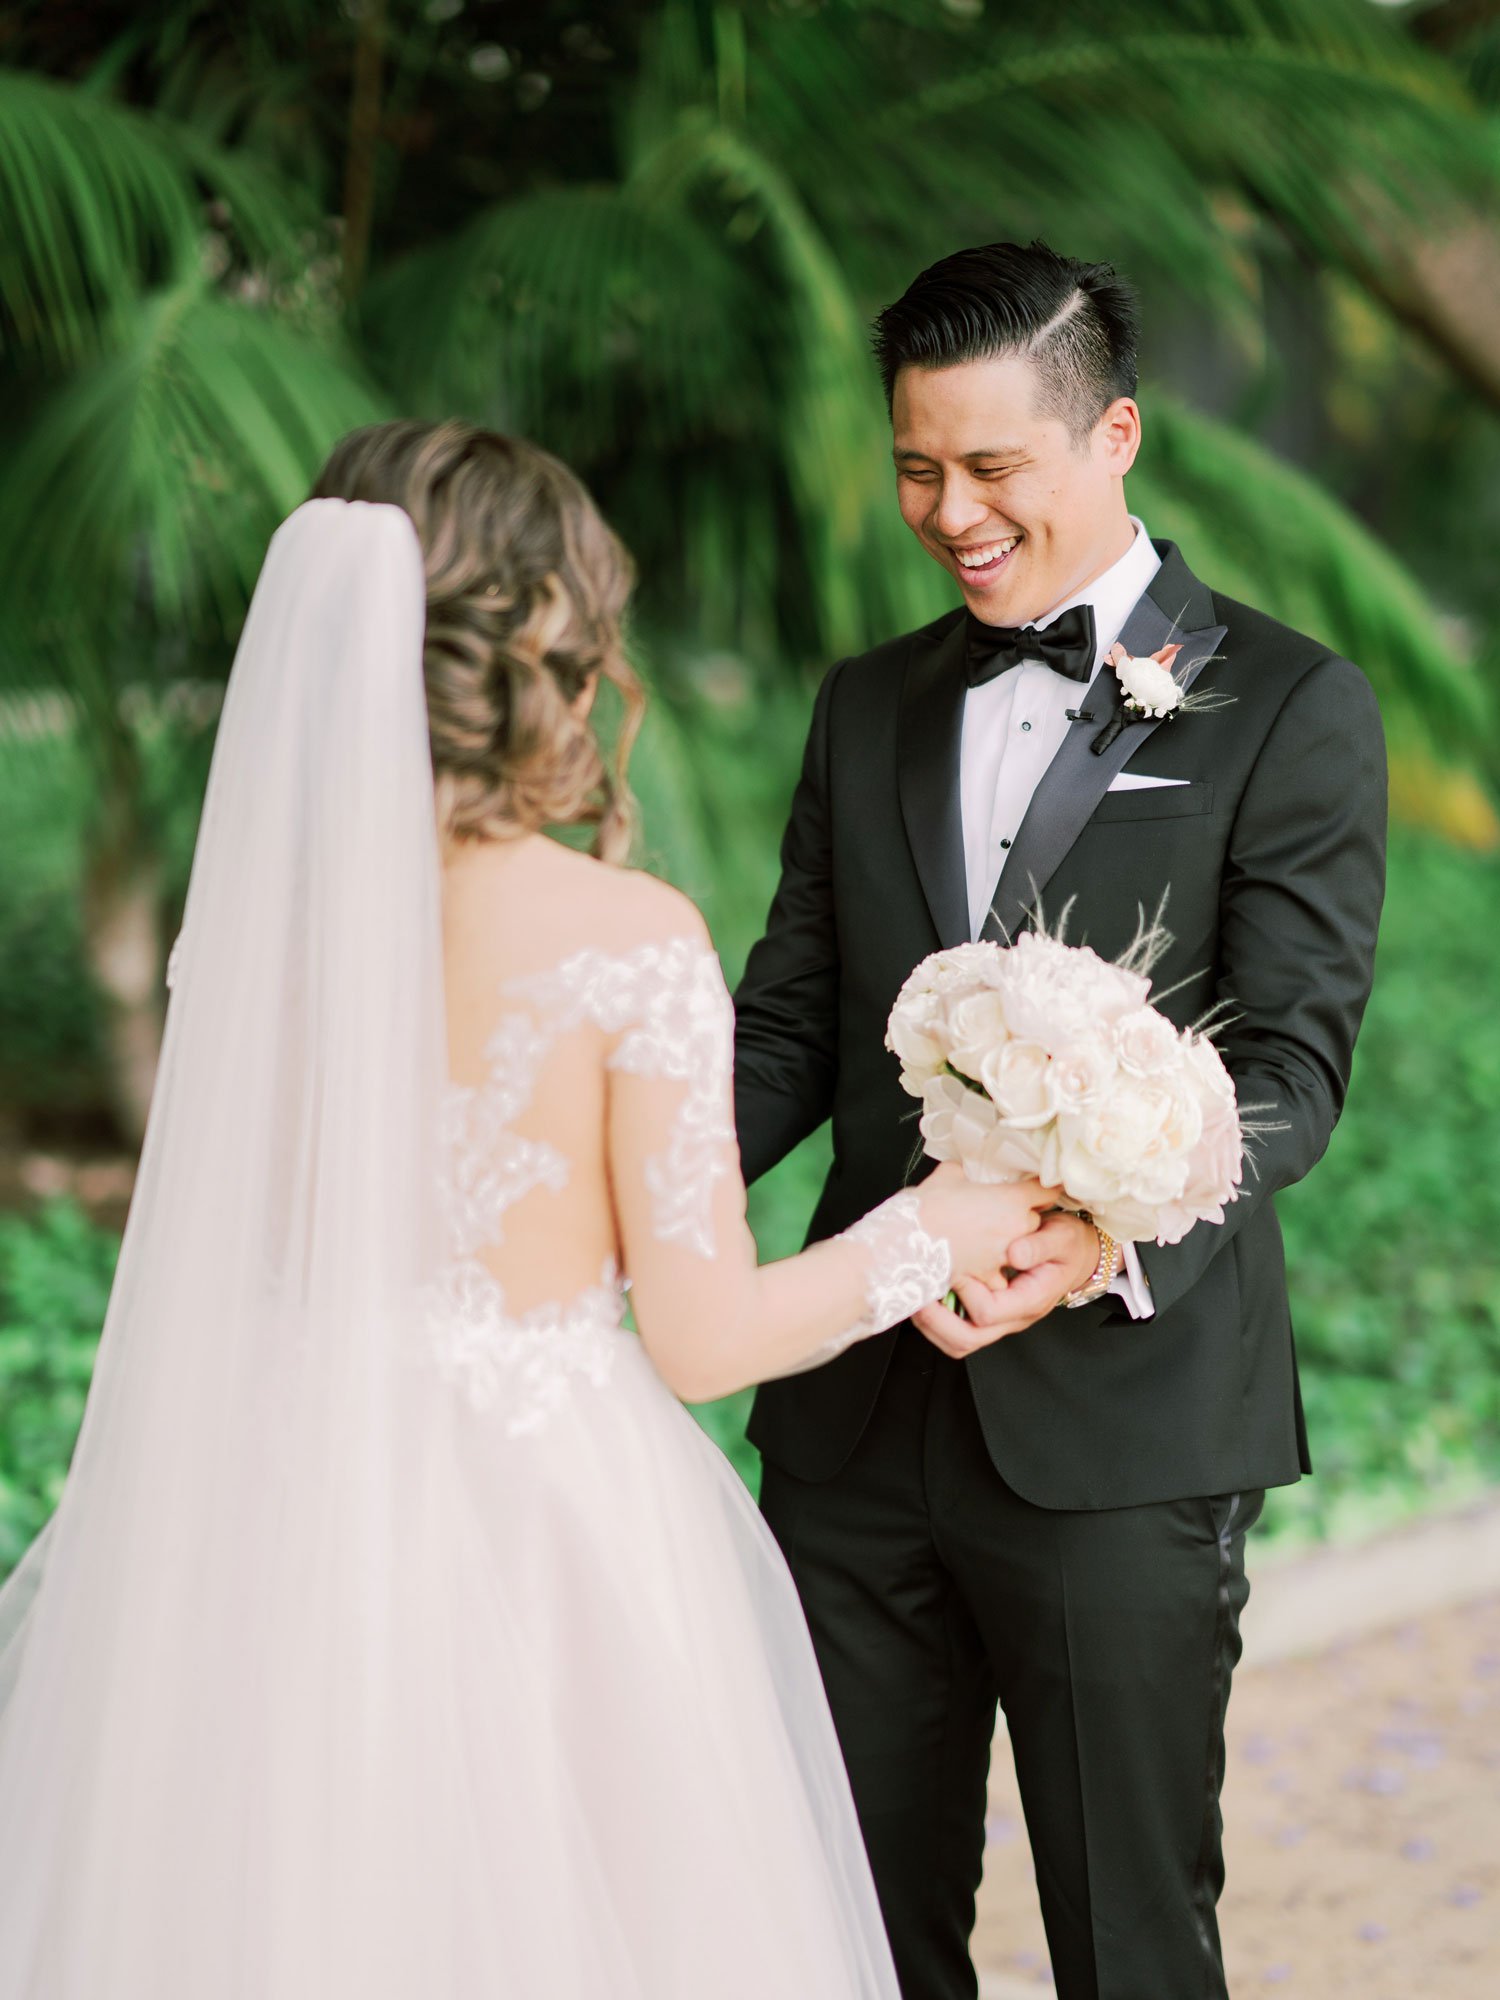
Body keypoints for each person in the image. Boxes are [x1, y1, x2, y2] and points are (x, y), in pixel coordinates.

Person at [0, 421, 1051, 1998]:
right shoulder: (622, 936)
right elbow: (704, 1338)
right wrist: (938, 1233)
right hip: (544, 1527)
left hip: (270, 1495)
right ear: (546, 649)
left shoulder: (255, 935)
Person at [735, 240, 1388, 2000]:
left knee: (1130, 1941)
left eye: (993, 466)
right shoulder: (865, 702)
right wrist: (633, 1195)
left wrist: (1095, 1231)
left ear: (1114, 435)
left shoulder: (1293, 706)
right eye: (916, 468)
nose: (950, 510)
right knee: (846, 1932)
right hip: (854, 1429)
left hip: (1125, 1426)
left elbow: (1292, 1067)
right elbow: (794, 1022)